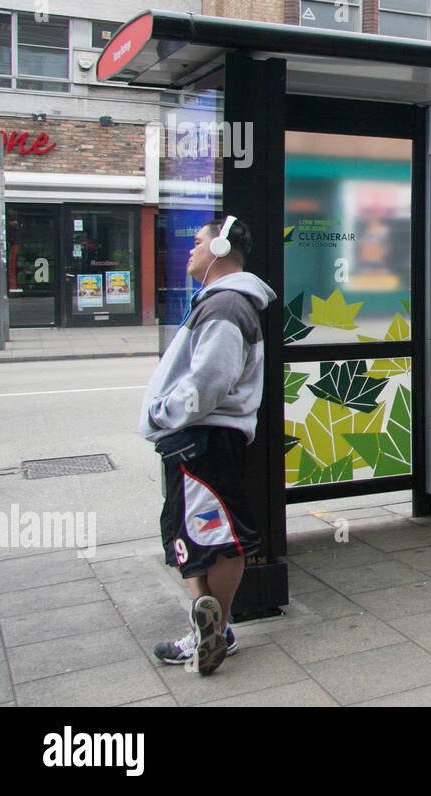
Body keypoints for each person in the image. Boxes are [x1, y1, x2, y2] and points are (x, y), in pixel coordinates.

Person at [139, 216, 275, 674]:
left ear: (220, 246)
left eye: (197, 243)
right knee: (191, 535)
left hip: (205, 439)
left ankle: (218, 630)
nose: (190, 252)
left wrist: (164, 413)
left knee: (216, 536)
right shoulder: (220, 302)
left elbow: (210, 380)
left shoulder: (226, 305)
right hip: (198, 438)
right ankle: (208, 630)